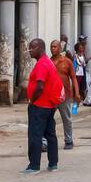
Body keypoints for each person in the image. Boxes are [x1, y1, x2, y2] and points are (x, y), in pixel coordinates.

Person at [24, 38, 63, 173]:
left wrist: (32, 100)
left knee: (35, 135)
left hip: (40, 106)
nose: (29, 51)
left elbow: (40, 86)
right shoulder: (49, 62)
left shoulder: (42, 64)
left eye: (32, 48)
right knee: (50, 135)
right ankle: (53, 164)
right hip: (49, 106)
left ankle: (34, 166)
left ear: (40, 48)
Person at [51, 40, 79, 150]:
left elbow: (74, 78)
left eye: (55, 47)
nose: (53, 49)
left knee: (67, 119)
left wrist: (77, 93)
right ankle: (46, 142)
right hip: (52, 96)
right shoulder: (48, 62)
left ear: (60, 48)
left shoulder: (67, 62)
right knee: (48, 119)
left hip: (65, 96)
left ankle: (69, 140)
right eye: (51, 47)